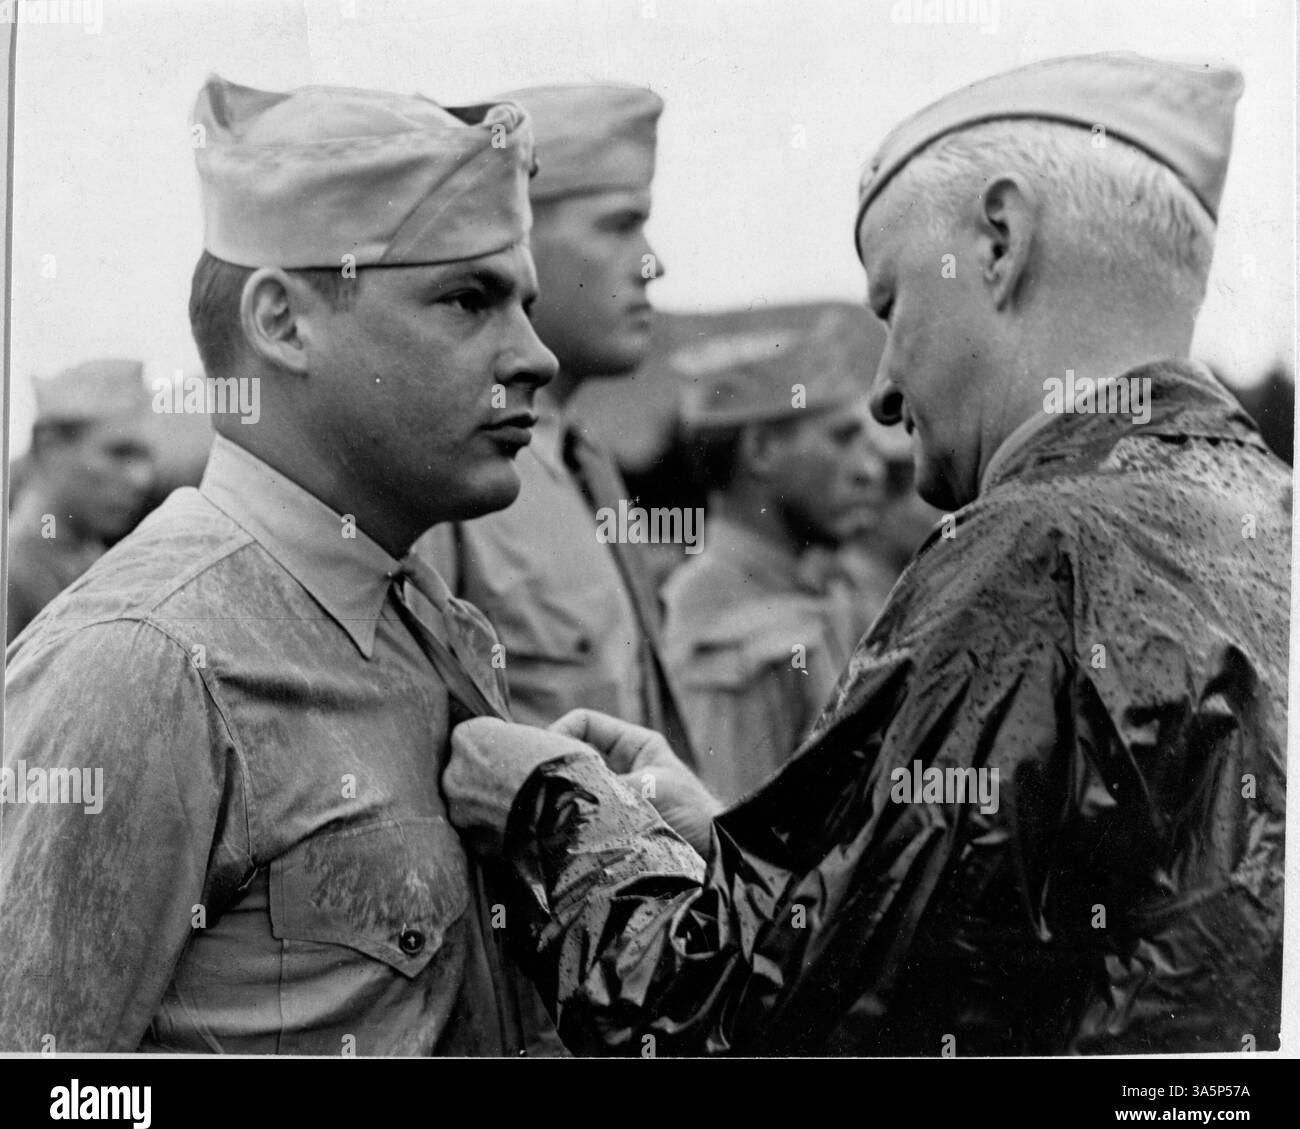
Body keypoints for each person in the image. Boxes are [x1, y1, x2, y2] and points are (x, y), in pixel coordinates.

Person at [444, 52, 1287, 1056]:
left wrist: (554, 814)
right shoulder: (1259, 515)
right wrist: (745, 852)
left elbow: (750, 1031)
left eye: (890, 306)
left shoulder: (1033, 552)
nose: (885, 393)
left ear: (999, 242)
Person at [0, 75, 563, 1054]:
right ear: (283, 323)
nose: (533, 355)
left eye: (523, 302)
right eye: (468, 298)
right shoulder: (146, 660)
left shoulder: (421, 618)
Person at [415, 83, 695, 762]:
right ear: (518, 236)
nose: (654, 263)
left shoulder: (584, 461)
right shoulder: (447, 476)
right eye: (620, 224)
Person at [665, 312, 889, 801]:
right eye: (841, 439)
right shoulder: (727, 631)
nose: (870, 472)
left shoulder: (823, 592)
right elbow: (732, 845)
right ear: (762, 450)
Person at [5, 359, 155, 644]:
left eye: (144, 456)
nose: (141, 479)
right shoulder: (12, 571)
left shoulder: (95, 560)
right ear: (49, 445)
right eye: (119, 453)